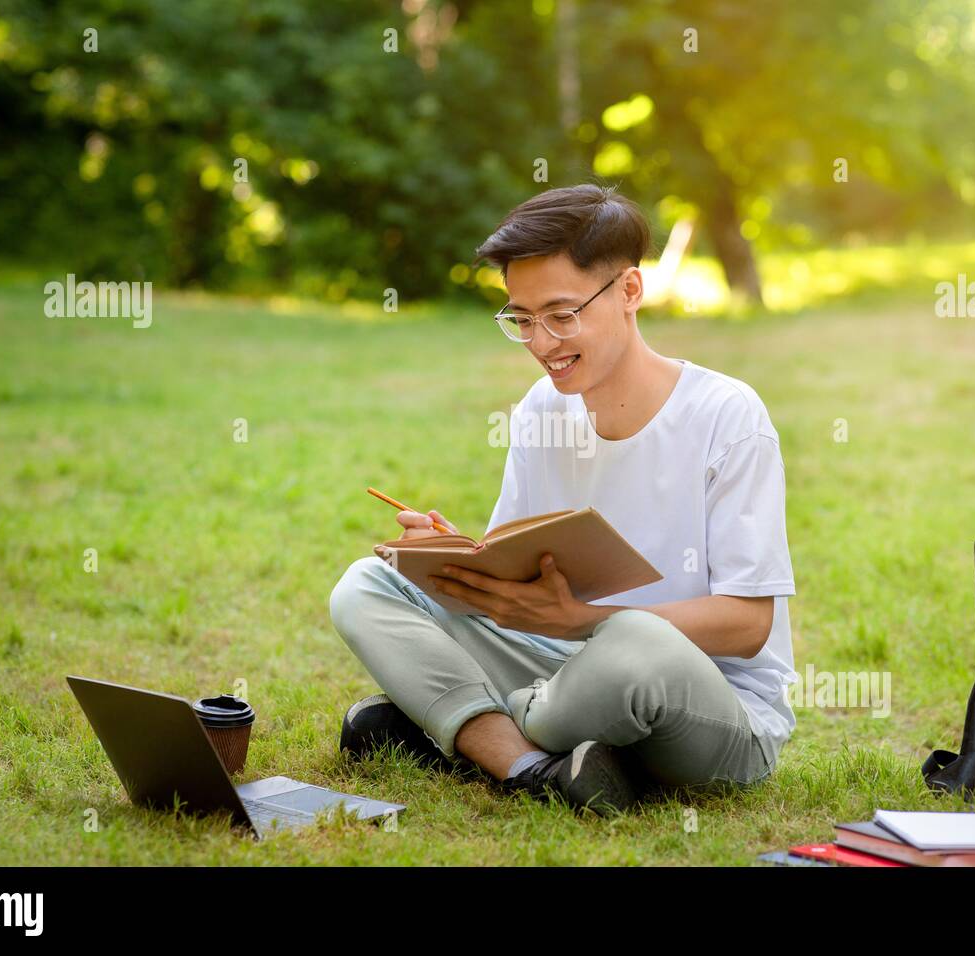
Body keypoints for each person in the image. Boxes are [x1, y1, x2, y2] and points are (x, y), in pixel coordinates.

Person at [328, 183, 797, 815]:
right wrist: (454, 556)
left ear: (629, 291)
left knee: (636, 644)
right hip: (562, 665)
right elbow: (511, 580)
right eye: (520, 319)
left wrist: (583, 620)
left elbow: (747, 625)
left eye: (561, 314)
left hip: (706, 699)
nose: (541, 343)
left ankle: (468, 728)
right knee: (366, 586)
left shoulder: (725, 415)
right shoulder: (542, 410)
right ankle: (529, 766)